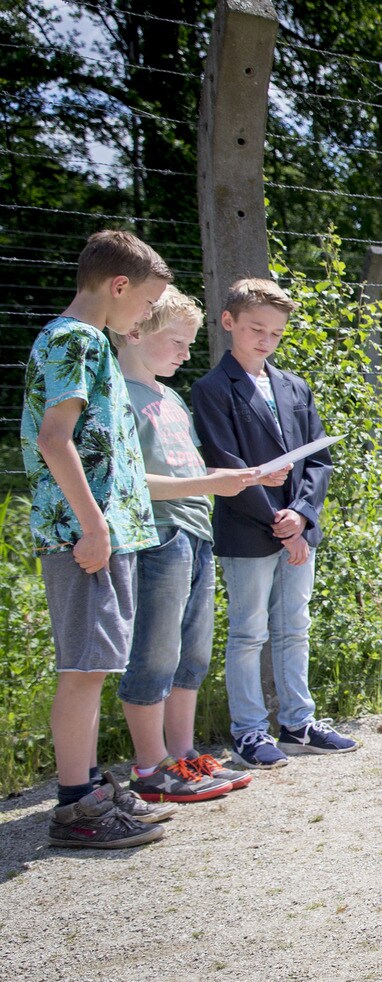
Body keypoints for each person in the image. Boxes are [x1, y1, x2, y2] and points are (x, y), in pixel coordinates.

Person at [21, 230, 173, 849]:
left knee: (96, 663)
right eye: (143, 304)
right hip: (86, 535)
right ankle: (75, 807)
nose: (143, 317)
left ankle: (84, 789)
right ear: (117, 286)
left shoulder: (88, 342)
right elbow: (54, 439)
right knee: (84, 668)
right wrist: (92, 524)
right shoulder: (74, 340)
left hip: (103, 533)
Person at [111, 286, 285, 802]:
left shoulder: (170, 399)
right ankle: (150, 768)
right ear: (135, 331)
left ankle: (183, 758)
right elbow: (129, 482)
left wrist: (244, 475)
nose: (187, 354)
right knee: (155, 654)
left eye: (190, 343)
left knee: (192, 655)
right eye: (177, 342)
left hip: (196, 532)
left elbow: (189, 471)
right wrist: (215, 484)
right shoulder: (119, 396)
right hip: (156, 534)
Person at [191, 278, 358, 769]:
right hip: (247, 530)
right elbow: (223, 462)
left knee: (295, 626)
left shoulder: (294, 386)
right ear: (228, 323)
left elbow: (319, 460)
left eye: (276, 334)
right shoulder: (212, 390)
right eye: (255, 329)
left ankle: (297, 724)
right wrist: (276, 521)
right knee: (248, 632)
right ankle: (247, 732)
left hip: (298, 529)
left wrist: (302, 517)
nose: (265, 340)